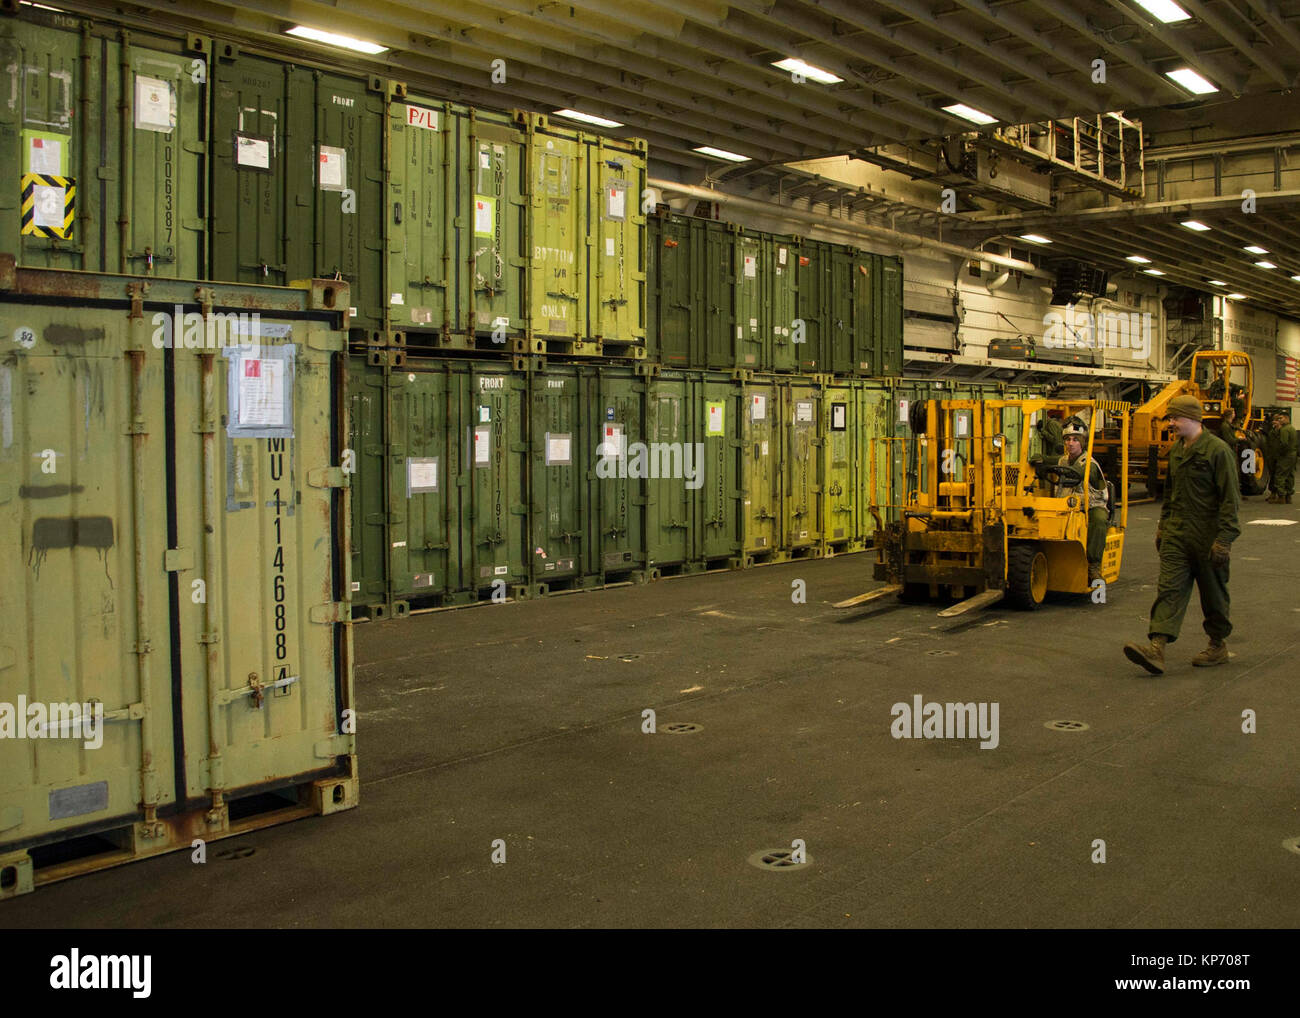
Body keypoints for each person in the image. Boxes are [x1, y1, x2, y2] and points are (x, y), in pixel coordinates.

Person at [1123, 394, 1240, 675]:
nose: (1171, 423)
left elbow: (1230, 500)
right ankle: (1157, 648)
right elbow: (1170, 494)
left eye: (1175, 418)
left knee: (1213, 594)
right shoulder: (1176, 451)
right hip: (1177, 533)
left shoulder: (1218, 451)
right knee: (1169, 589)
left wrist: (1224, 539)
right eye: (1171, 418)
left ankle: (1217, 644)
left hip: (1208, 536)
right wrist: (1163, 527)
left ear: (1192, 418)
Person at [1054, 421, 1109, 583]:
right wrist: (1040, 460)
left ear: (1082, 443)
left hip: (1092, 505)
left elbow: (1079, 472)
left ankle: (1094, 565)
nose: (1070, 443)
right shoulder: (1063, 460)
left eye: (1075, 440)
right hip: (1068, 504)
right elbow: (1052, 460)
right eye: (1068, 439)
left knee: (1099, 520)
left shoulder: (1089, 463)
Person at [1266, 412, 1296, 504]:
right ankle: (1288, 496)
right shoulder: (1291, 428)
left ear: (1286, 418)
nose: (1278, 421)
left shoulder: (1284, 430)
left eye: (1280, 419)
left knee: (1280, 475)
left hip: (1284, 455)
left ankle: (1281, 496)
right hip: (1290, 455)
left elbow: (1283, 444)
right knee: (1289, 475)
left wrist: (1280, 454)